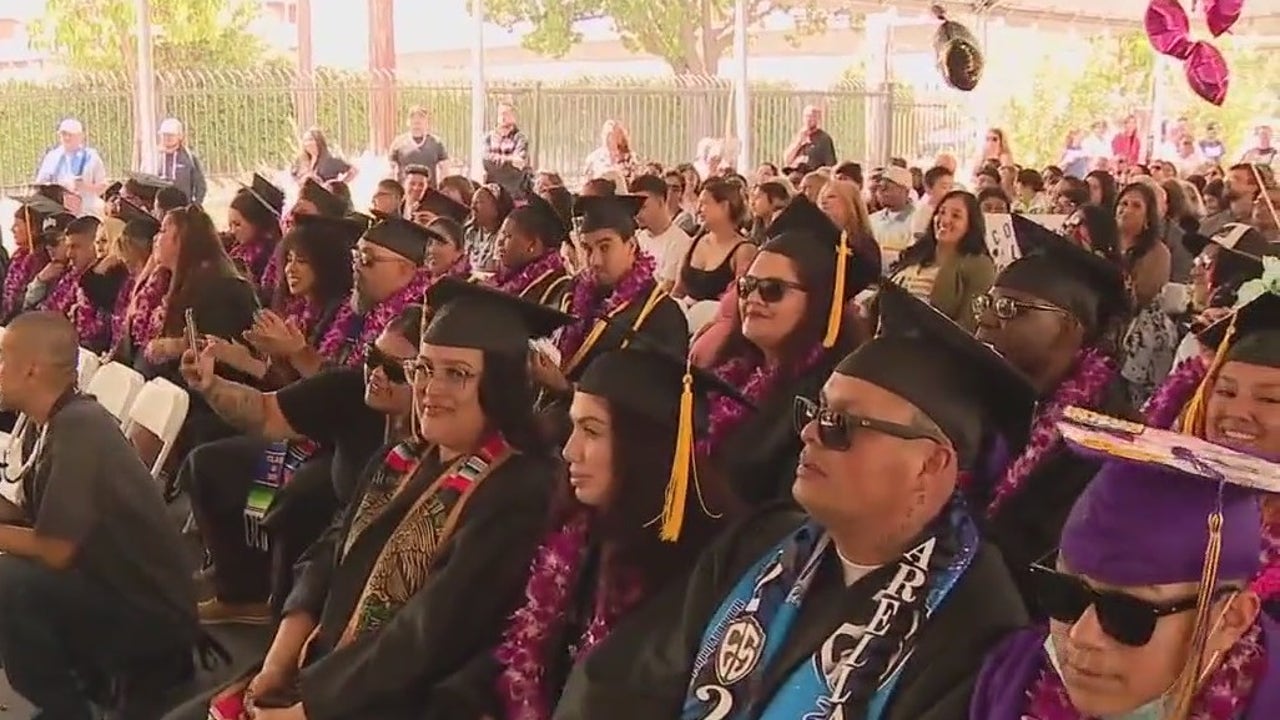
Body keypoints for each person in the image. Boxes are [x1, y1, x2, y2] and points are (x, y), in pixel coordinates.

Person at [553, 281, 1036, 719]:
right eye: (816, 412)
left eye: (840, 424)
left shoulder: (976, 628)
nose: (808, 433)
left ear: (930, 464)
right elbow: (628, 687)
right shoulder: (758, 543)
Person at [166, 279, 570, 720]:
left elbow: (432, 630)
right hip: (318, 668)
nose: (430, 388)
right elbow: (331, 553)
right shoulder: (403, 456)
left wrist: (307, 710)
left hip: (400, 702)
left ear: (499, 385)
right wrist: (278, 660)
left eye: (456, 373)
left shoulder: (519, 489)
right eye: (424, 368)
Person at [425, 346, 748, 718]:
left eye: (591, 431)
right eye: (574, 427)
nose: (569, 450)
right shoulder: (581, 533)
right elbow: (517, 652)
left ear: (647, 446)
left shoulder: (703, 572)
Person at [970, 417, 1280, 718]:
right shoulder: (1010, 682)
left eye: (1127, 613)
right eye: (1064, 596)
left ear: (1230, 619)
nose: (1081, 635)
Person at [0, 312, 222, 718]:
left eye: (2, 358)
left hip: (149, 621)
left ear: (32, 369)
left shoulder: (80, 429)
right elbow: (30, 518)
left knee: (9, 580)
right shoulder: (53, 420)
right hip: (113, 591)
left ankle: (70, 709)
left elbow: (55, 549)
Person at [179, 306, 423, 625]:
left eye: (393, 369)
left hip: (386, 562)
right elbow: (264, 412)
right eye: (372, 357)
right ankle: (248, 597)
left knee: (303, 505)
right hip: (338, 537)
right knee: (214, 463)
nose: (376, 374)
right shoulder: (353, 389)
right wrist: (211, 385)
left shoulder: (437, 441)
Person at [972, 215, 1136, 613]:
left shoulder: (1108, 436)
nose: (986, 320)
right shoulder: (993, 397)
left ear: (1071, 327)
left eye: (1010, 308)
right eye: (986, 304)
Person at [699, 194, 877, 505]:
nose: (752, 299)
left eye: (773, 289)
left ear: (819, 302)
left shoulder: (823, 406)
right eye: (747, 286)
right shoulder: (732, 370)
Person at [492, 192, 573, 307]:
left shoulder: (551, 285)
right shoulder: (509, 276)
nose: (500, 242)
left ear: (532, 244)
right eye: (501, 234)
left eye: (508, 236)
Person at [33, 118, 108, 216]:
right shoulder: (52, 157)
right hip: (58, 207)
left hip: (87, 207)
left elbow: (103, 186)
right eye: (64, 134)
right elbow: (40, 184)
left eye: (71, 135)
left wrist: (85, 187)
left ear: (81, 136)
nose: (67, 138)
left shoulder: (91, 157)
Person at [388, 106, 450, 186]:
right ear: (408, 122)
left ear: (426, 123)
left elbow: (445, 170)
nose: (417, 124)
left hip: (430, 191)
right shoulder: (398, 143)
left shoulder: (436, 143)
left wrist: (443, 188)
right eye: (414, 121)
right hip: (405, 191)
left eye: (420, 121)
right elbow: (390, 171)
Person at [154, 117, 208, 205]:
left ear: (180, 136)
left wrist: (195, 206)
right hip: (159, 208)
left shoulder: (189, 158)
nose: (167, 138)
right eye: (164, 135)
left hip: (183, 208)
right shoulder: (154, 157)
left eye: (171, 135)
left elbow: (200, 186)